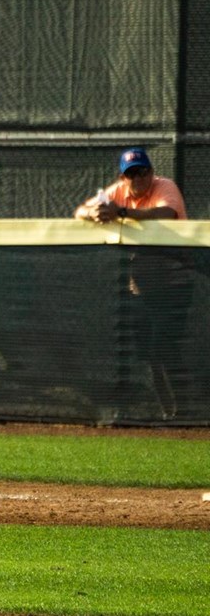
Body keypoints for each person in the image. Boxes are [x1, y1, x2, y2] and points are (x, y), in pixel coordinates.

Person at [73, 147, 189, 418]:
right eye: (131, 174)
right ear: (123, 177)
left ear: (151, 171)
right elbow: (80, 211)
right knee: (149, 354)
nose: (138, 178)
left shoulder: (164, 186)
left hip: (175, 283)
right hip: (141, 288)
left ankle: (188, 411)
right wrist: (95, 214)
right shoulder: (119, 190)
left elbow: (166, 214)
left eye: (143, 171)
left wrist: (122, 212)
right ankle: (168, 412)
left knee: (166, 348)